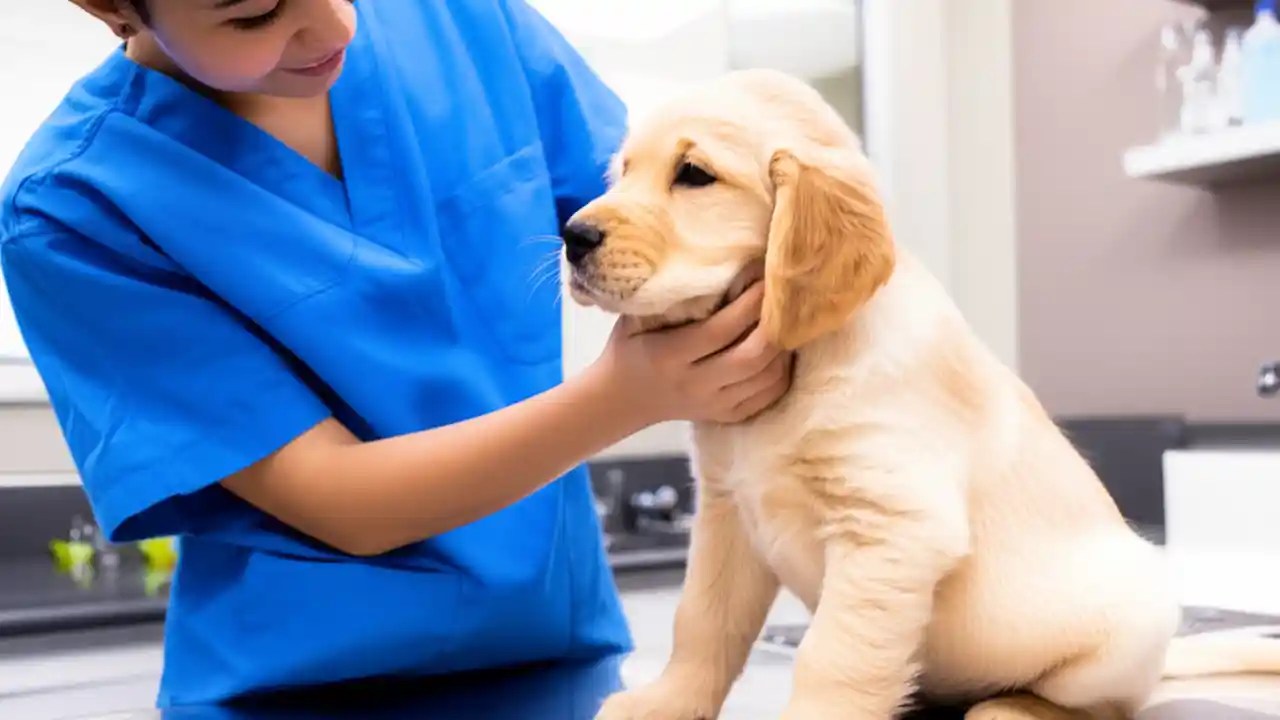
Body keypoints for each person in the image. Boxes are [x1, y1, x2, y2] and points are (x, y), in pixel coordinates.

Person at [0, 0, 792, 708]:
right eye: (255, 15)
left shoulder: (461, 20)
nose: (336, 24)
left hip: (560, 660)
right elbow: (342, 501)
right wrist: (631, 395)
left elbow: (658, 224)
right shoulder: (76, 207)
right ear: (110, 7)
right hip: (298, 692)